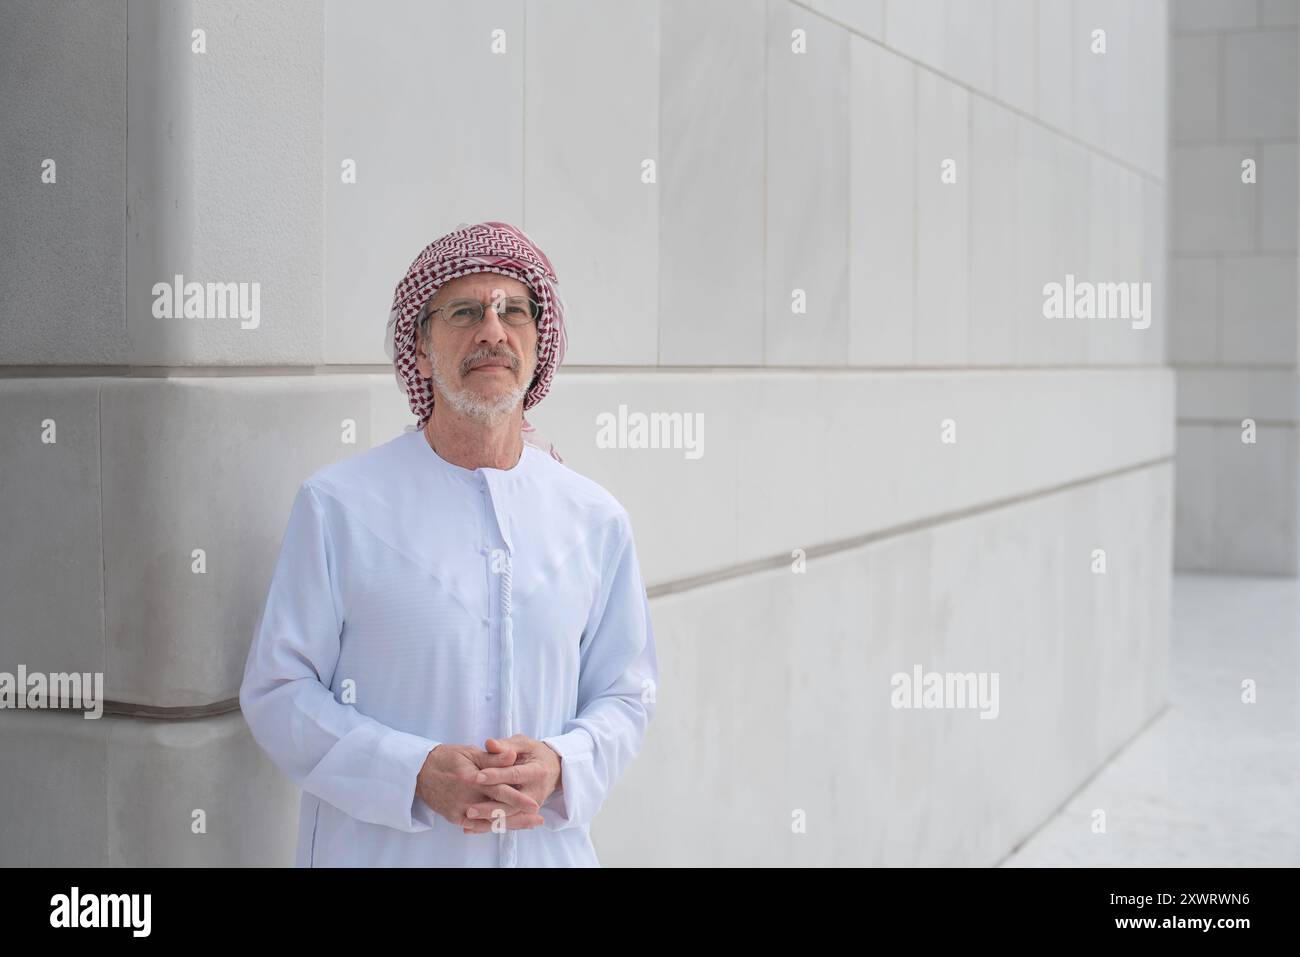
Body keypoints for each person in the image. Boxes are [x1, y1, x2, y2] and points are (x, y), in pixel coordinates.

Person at [239, 221, 658, 866]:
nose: (493, 331)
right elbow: (278, 690)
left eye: (513, 310)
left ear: (538, 341)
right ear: (421, 344)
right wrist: (410, 772)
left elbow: (625, 694)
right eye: (465, 311)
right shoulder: (340, 506)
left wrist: (562, 763)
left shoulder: (594, 519)